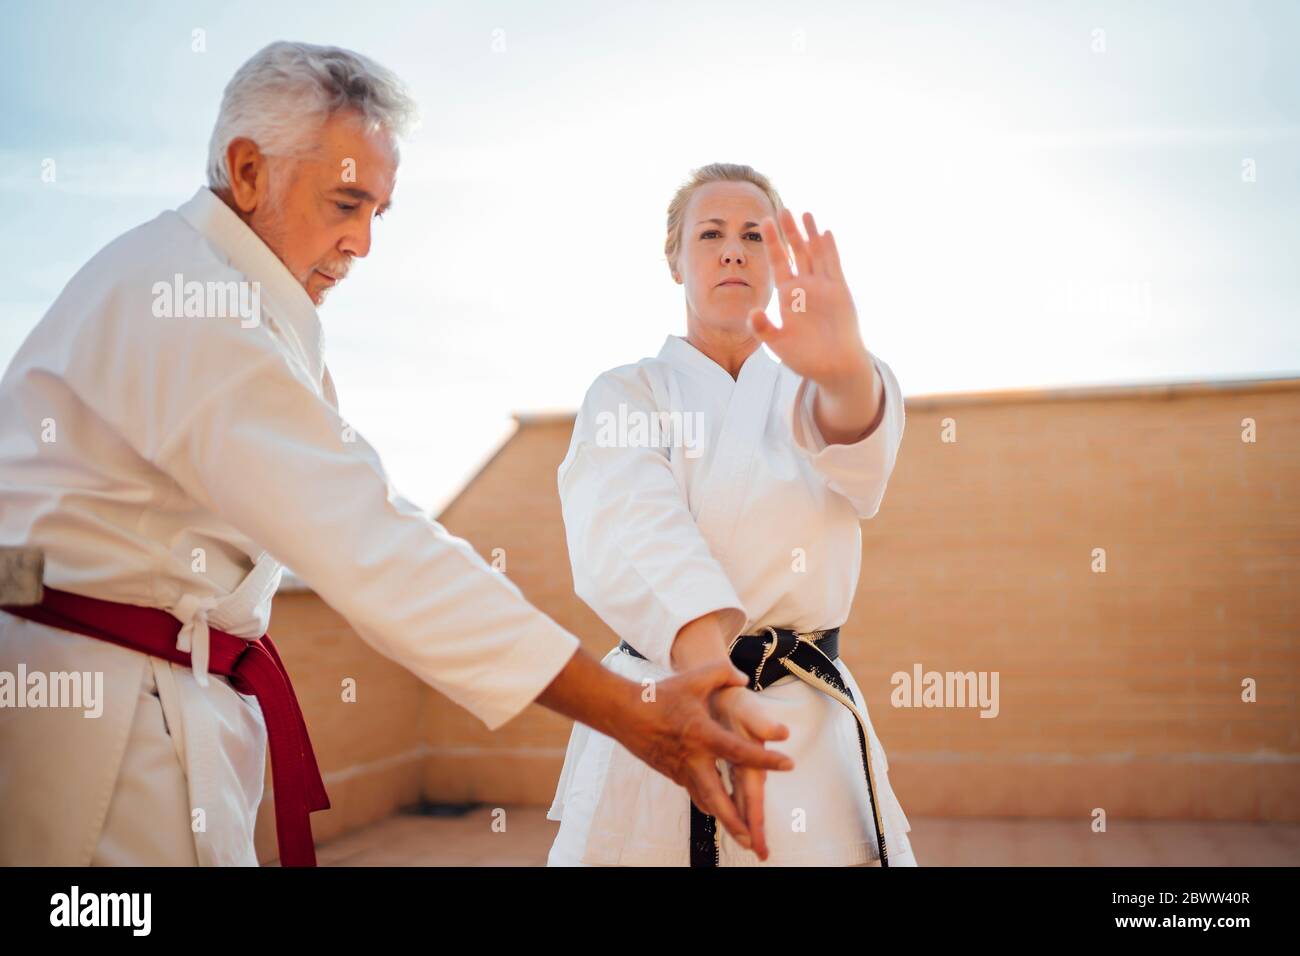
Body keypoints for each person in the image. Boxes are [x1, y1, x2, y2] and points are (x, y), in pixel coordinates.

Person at [0, 45, 792, 867]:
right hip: (93, 734)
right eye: (347, 203)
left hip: (153, 705)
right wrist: (628, 711)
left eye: (380, 211)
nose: (364, 243)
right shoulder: (183, 300)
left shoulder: (229, 297)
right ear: (247, 171)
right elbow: (368, 539)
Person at [546, 163, 917, 866]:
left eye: (755, 234)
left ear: (780, 259)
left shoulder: (821, 387)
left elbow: (864, 465)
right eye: (710, 233)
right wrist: (711, 676)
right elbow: (639, 532)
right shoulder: (626, 394)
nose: (733, 249)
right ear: (675, 258)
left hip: (804, 725)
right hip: (664, 709)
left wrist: (844, 374)